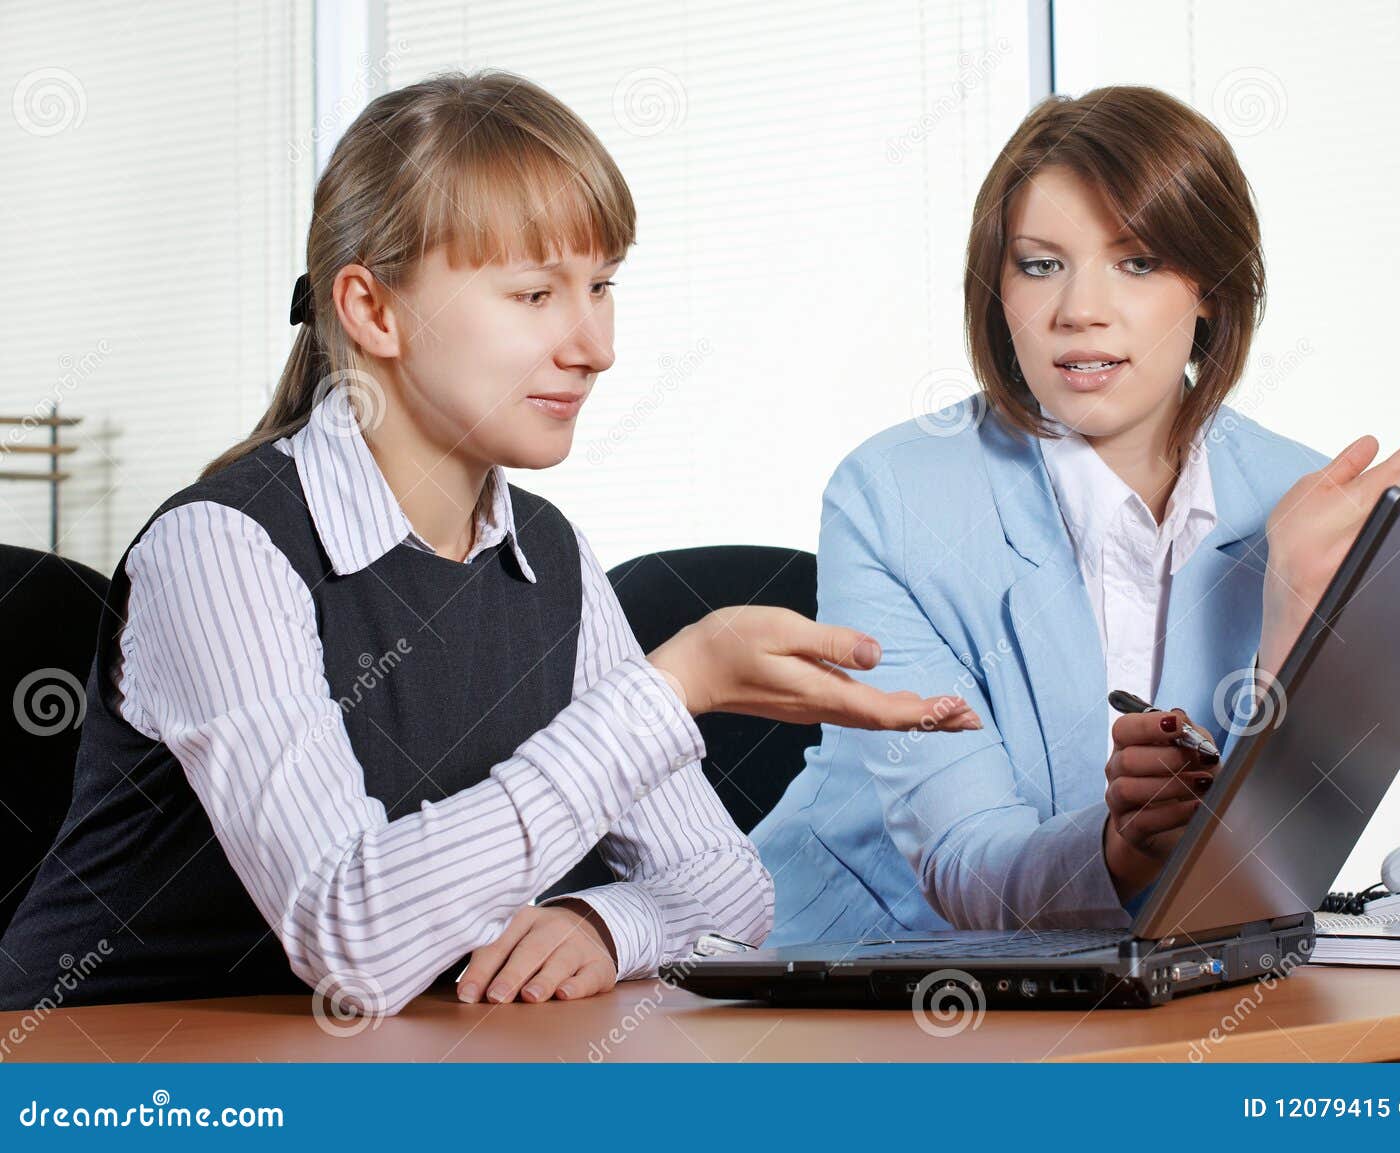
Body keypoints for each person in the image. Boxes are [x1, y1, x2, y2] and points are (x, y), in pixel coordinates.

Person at [0, 71, 976, 1015]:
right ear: (372, 309)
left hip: (393, 1074)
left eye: (601, 287)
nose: (594, 344)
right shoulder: (221, 549)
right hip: (120, 1085)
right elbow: (355, 937)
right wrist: (670, 690)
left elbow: (729, 888)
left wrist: (609, 922)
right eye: (534, 295)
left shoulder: (548, 553)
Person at [751, 86, 1400, 945]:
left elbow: (1276, 869)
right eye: (1040, 264)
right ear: (998, 290)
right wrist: (1122, 849)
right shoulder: (894, 497)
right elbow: (963, 865)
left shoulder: (1302, 501)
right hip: (865, 973)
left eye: (1136, 262)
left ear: (1213, 288)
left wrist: (1299, 628)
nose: (1079, 309)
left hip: (1154, 980)